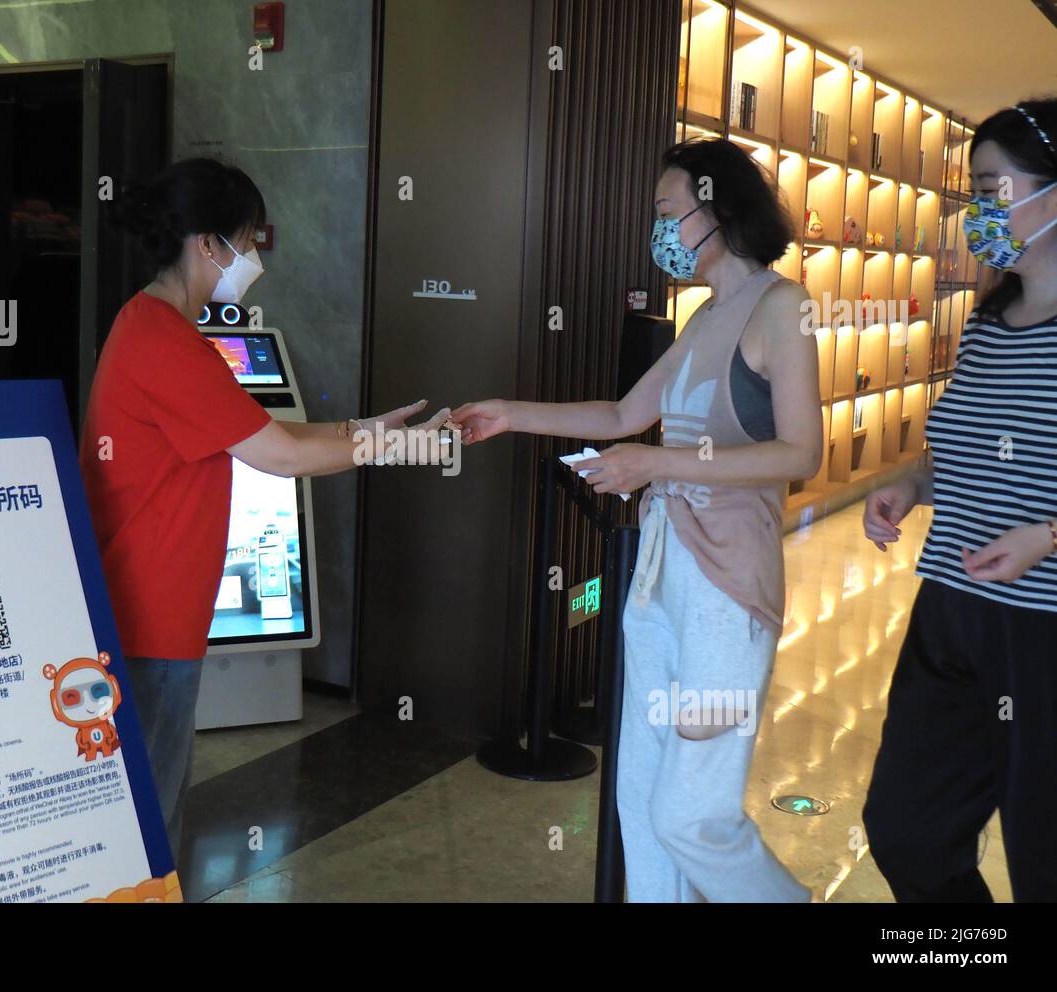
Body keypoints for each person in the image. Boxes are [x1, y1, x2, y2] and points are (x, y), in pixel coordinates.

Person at [455, 138, 821, 902]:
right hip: (663, 574)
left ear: (713, 207)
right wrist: (508, 415)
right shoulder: (703, 317)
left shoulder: (782, 308)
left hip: (728, 587)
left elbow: (800, 452)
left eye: (665, 212)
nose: (658, 231)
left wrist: (659, 465)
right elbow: (625, 413)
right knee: (639, 795)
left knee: (693, 816)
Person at [80, 157, 448, 867]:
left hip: (160, 610)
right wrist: (390, 447)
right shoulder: (164, 342)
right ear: (207, 244)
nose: (253, 257)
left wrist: (373, 430)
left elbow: (266, 430)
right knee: (148, 822)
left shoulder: (161, 329)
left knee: (156, 805)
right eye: (248, 240)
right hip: (146, 617)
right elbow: (277, 455)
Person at [861, 98, 1057, 902]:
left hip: (1041, 625)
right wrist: (912, 483)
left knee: (1043, 856)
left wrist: (1048, 534)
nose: (978, 211)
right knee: (907, 829)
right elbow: (963, 453)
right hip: (951, 606)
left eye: (993, 189)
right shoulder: (988, 320)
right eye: (973, 190)